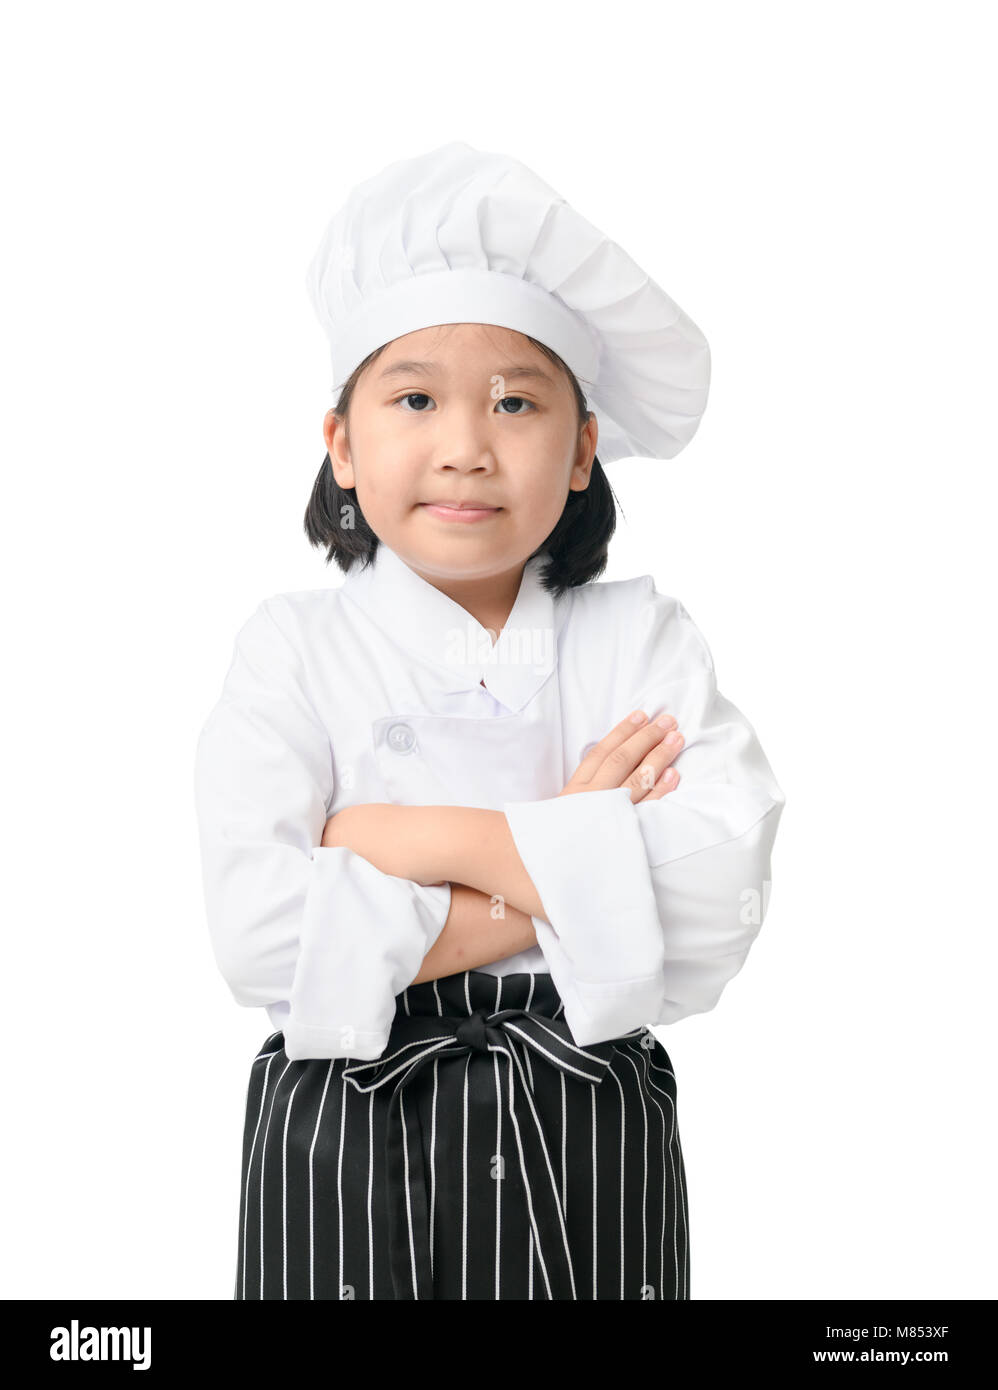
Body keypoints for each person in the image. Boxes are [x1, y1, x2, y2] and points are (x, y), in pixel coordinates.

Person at [193, 140, 786, 1301]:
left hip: (587, 1140)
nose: (466, 442)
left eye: (516, 401)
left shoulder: (640, 639)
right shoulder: (291, 647)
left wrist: (388, 840)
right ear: (344, 442)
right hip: (342, 1152)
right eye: (414, 397)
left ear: (579, 450)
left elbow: (713, 896)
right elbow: (256, 934)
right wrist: (575, 849)